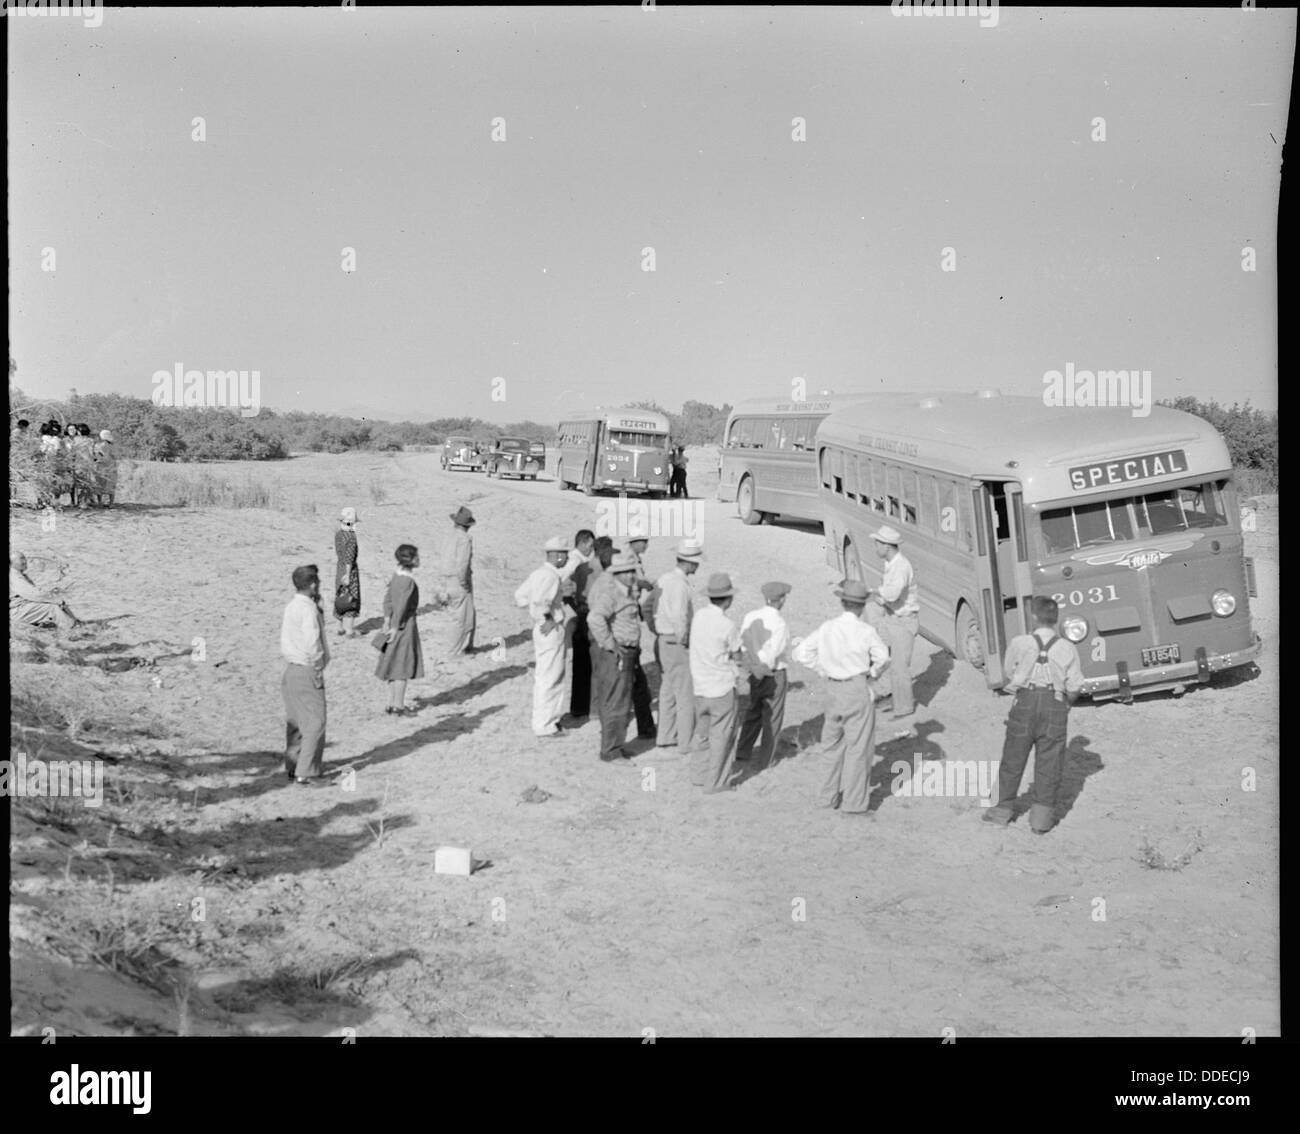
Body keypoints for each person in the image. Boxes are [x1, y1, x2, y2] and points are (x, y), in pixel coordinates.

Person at [984, 596, 1085, 834]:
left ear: (1033, 617)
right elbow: (1075, 685)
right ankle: (1041, 820)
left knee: (1013, 757)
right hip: (1055, 703)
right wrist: (1066, 704)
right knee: (1050, 762)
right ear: (1055, 619)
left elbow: (1009, 671)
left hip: (1025, 701)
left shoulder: (1020, 642)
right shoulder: (1067, 647)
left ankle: (1000, 811)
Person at [792, 579, 891, 816]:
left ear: (843, 602)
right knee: (859, 749)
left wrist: (822, 668)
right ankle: (854, 804)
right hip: (856, 688)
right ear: (862, 606)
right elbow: (884, 658)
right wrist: (872, 674)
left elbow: (801, 653)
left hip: (833, 689)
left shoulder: (827, 627)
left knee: (831, 745)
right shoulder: (866, 631)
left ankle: (827, 798)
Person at [687, 572, 744, 794]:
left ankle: (698, 775)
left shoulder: (699, 616)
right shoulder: (727, 625)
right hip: (721, 688)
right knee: (722, 736)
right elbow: (737, 654)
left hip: (700, 686)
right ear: (728, 599)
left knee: (702, 733)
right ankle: (716, 782)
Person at [863, 525, 920, 741]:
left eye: (878, 543)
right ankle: (894, 698)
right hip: (892, 617)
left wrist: (874, 593)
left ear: (886, 545)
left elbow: (893, 594)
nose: (875, 546)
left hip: (903, 620)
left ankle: (903, 707)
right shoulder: (892, 563)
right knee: (883, 657)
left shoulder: (901, 566)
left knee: (899, 667)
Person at [586, 549, 641, 762]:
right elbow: (594, 618)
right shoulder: (612, 593)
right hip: (618, 652)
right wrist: (610, 643)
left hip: (627, 650)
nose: (630, 575)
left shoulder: (626, 591)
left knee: (621, 701)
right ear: (616, 573)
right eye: (625, 572)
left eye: (632, 571)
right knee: (615, 702)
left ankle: (616, 745)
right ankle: (610, 751)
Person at [515, 536, 572, 738]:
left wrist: (538, 614)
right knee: (551, 677)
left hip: (540, 628)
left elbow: (521, 597)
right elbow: (541, 601)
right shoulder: (550, 576)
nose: (566, 557)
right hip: (550, 628)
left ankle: (544, 722)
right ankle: (546, 725)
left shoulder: (538, 573)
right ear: (556, 555)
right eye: (564, 554)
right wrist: (547, 617)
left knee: (544, 675)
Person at [280, 564, 332, 785]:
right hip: (307, 668)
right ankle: (307, 772)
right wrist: (319, 665)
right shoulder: (308, 609)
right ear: (312, 584)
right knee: (315, 722)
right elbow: (312, 643)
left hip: (291, 669)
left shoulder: (292, 606)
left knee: (296, 722)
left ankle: (294, 765)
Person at [652, 538, 703, 750]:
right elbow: (679, 617)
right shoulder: (681, 585)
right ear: (689, 563)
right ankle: (685, 741)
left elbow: (650, 607)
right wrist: (685, 640)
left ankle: (665, 735)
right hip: (675, 639)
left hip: (663, 638)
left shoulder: (664, 579)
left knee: (668, 690)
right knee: (684, 693)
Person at [736, 581, 793, 764]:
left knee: (754, 711)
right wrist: (763, 667)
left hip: (754, 670)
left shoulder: (751, 616)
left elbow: (743, 641)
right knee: (772, 717)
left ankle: (742, 751)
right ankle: (765, 759)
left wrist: (753, 666)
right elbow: (773, 652)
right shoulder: (780, 623)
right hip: (773, 673)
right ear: (781, 600)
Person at [376, 544, 425, 715]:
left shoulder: (396, 576)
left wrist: (387, 620)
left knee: (391, 664)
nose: (419, 559)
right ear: (410, 560)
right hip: (404, 626)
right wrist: (396, 627)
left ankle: (391, 703)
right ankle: (399, 706)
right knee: (402, 667)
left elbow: (388, 599)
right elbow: (403, 607)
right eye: (416, 557)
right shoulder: (408, 582)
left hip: (392, 624)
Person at [624, 517, 657, 741]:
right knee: (636, 678)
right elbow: (633, 583)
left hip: (630, 614)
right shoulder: (628, 560)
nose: (646, 544)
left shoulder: (633, 558)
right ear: (635, 541)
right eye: (643, 540)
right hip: (628, 617)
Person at [560, 529, 597, 720]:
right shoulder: (575, 561)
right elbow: (564, 586)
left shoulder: (574, 559)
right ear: (582, 543)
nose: (591, 550)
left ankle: (579, 706)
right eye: (589, 546)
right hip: (574, 611)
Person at [9, 550, 80, 630]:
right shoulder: (13, 575)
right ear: (12, 562)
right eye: (21, 559)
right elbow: (32, 594)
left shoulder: (18, 574)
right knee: (52, 608)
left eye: (24, 558)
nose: (25, 561)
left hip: (22, 608)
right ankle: (74, 631)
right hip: (16, 611)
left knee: (56, 605)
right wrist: (54, 599)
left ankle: (74, 624)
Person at [440, 506, 476, 658]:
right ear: (467, 525)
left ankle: (466, 646)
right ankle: (455, 651)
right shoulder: (464, 539)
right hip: (458, 581)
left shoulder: (449, 536)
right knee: (462, 618)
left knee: (456, 616)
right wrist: (464, 583)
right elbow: (462, 564)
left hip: (446, 579)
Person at [333, 507, 362, 637]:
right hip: (348, 570)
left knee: (340, 596)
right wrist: (349, 574)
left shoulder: (339, 534)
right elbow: (349, 558)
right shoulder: (351, 537)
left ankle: (339, 627)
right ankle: (349, 630)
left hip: (339, 567)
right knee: (351, 598)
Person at [92, 430, 117, 506]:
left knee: (99, 483)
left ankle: (100, 502)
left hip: (100, 466)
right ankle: (111, 503)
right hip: (111, 466)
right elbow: (114, 456)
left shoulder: (98, 445)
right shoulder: (112, 446)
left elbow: (96, 456)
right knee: (111, 484)